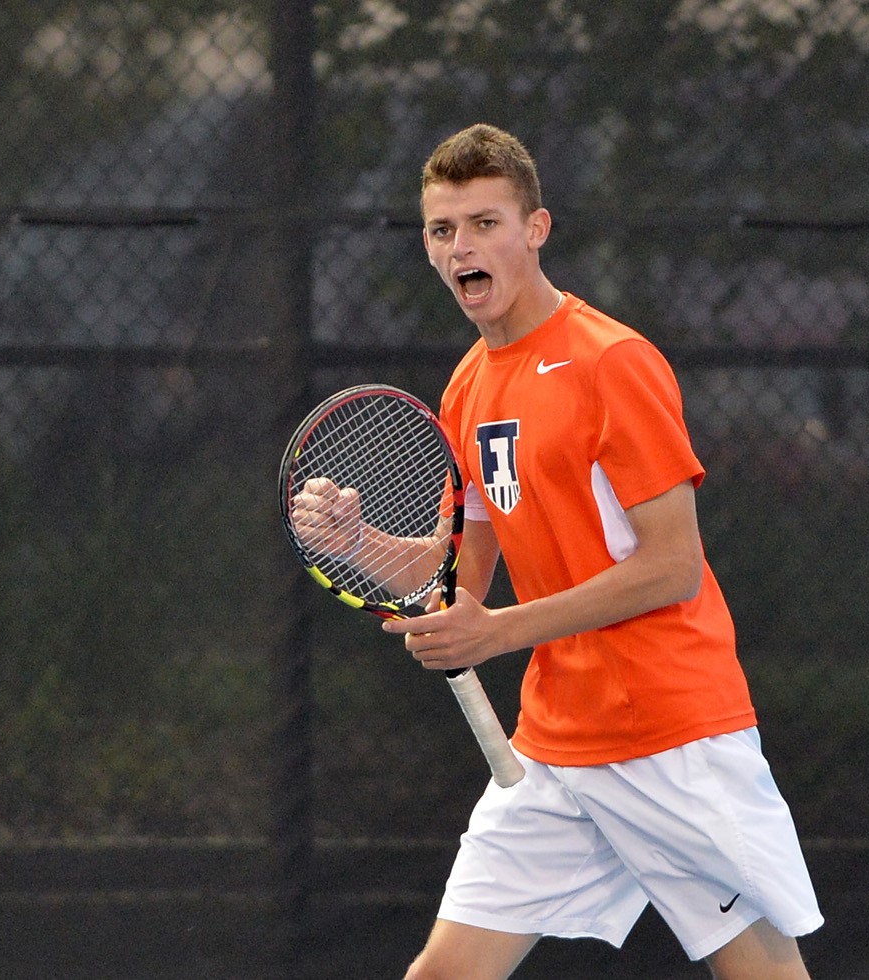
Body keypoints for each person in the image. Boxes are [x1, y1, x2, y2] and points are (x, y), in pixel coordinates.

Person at [297, 123, 822, 979]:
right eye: (442, 230)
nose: (462, 247)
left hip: (672, 737)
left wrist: (499, 633)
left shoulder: (614, 363)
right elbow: (459, 576)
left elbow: (672, 567)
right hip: (556, 750)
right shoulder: (467, 387)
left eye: (485, 223)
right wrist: (355, 543)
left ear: (535, 229)